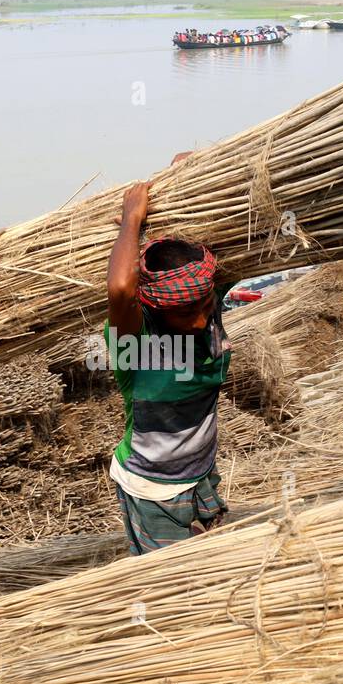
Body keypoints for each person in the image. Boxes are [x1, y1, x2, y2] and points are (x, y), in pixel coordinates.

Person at [105, 165, 232, 555]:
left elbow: (197, 162)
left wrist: (182, 175)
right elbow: (121, 287)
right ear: (155, 306)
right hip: (152, 487)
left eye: (204, 305)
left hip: (200, 469)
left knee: (211, 554)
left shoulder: (205, 307)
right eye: (183, 313)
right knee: (175, 578)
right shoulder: (136, 342)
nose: (198, 320)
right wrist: (132, 220)